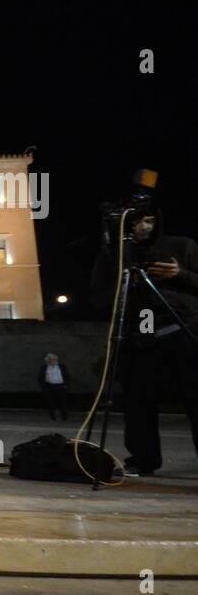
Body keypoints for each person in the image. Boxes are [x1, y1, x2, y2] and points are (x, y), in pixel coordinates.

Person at [90, 204, 198, 476]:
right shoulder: (114, 256)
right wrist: (125, 282)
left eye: (149, 221)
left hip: (181, 330)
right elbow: (100, 299)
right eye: (136, 222)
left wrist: (180, 275)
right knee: (139, 405)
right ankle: (143, 458)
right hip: (139, 338)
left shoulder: (182, 246)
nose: (144, 227)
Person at [37, 354, 70, 421]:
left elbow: (67, 376)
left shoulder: (62, 366)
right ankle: (53, 417)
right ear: (48, 361)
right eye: (51, 360)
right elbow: (40, 378)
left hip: (60, 386)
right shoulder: (44, 367)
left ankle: (65, 418)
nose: (53, 361)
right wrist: (44, 387)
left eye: (54, 359)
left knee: (62, 403)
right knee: (50, 403)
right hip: (49, 387)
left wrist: (66, 385)